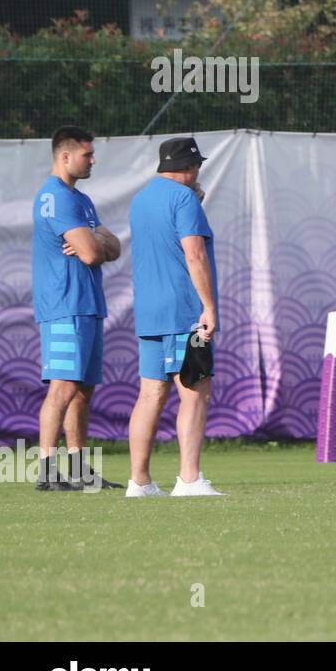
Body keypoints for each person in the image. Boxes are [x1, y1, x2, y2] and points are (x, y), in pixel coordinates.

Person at [127, 137, 223, 497]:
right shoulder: (183, 199)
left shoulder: (142, 199)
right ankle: (189, 479)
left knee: (150, 394)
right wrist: (209, 307)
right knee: (195, 390)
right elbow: (194, 254)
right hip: (184, 312)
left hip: (149, 312)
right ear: (191, 165)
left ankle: (139, 482)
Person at [31, 126, 122, 491]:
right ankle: (47, 471)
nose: (93, 160)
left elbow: (112, 247)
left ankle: (81, 471)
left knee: (83, 390)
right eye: (87, 154)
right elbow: (90, 253)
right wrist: (95, 244)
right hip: (65, 304)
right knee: (63, 387)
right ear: (64, 156)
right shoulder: (56, 197)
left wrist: (96, 241)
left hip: (87, 304)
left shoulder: (81, 200)